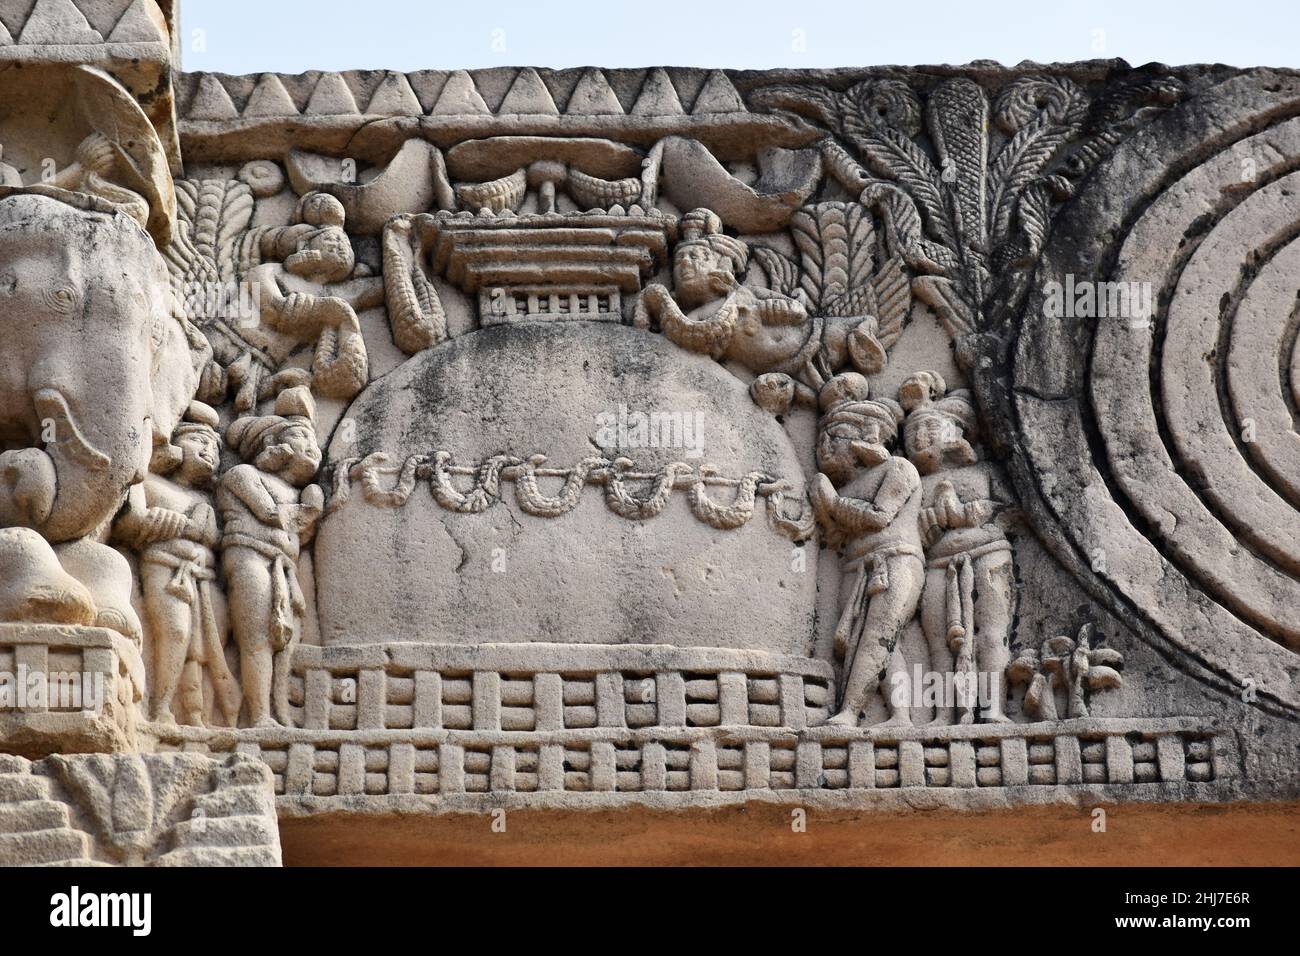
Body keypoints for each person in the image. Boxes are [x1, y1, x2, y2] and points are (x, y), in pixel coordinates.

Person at [114, 402, 239, 727]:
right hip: (167, 567)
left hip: (203, 577)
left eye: (214, 447)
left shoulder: (206, 500)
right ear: (175, 446)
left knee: (204, 647)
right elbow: (127, 524)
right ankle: (159, 707)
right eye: (198, 441)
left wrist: (185, 527)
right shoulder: (150, 484)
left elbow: (212, 536)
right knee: (176, 632)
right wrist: (159, 522)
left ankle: (196, 714)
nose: (209, 451)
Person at [810, 374, 924, 727]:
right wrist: (824, 510)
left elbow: (878, 517)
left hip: (894, 562)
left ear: (868, 436)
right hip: (855, 566)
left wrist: (833, 503)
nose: (825, 446)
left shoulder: (899, 469)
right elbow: (836, 537)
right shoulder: (848, 485)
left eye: (837, 436)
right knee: (866, 641)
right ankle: (900, 716)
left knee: (878, 635)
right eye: (823, 438)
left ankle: (850, 712)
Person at [902, 372, 1015, 724]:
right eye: (911, 434)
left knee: (991, 633)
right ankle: (944, 714)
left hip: (988, 553)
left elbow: (1016, 511)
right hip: (938, 563)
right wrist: (927, 526)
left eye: (928, 430)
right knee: (939, 642)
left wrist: (976, 512)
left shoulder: (985, 472)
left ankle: (993, 709)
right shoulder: (915, 484)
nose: (919, 440)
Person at [218, 387, 323, 727]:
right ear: (271, 443)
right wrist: (310, 508)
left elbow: (301, 536)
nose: (311, 447)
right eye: (300, 437)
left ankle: (281, 713)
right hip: (250, 556)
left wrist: (311, 508)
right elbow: (270, 514)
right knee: (258, 636)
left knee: (286, 642)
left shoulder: (295, 492)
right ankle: (259, 715)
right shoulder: (243, 475)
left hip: (284, 567)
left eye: (312, 440)